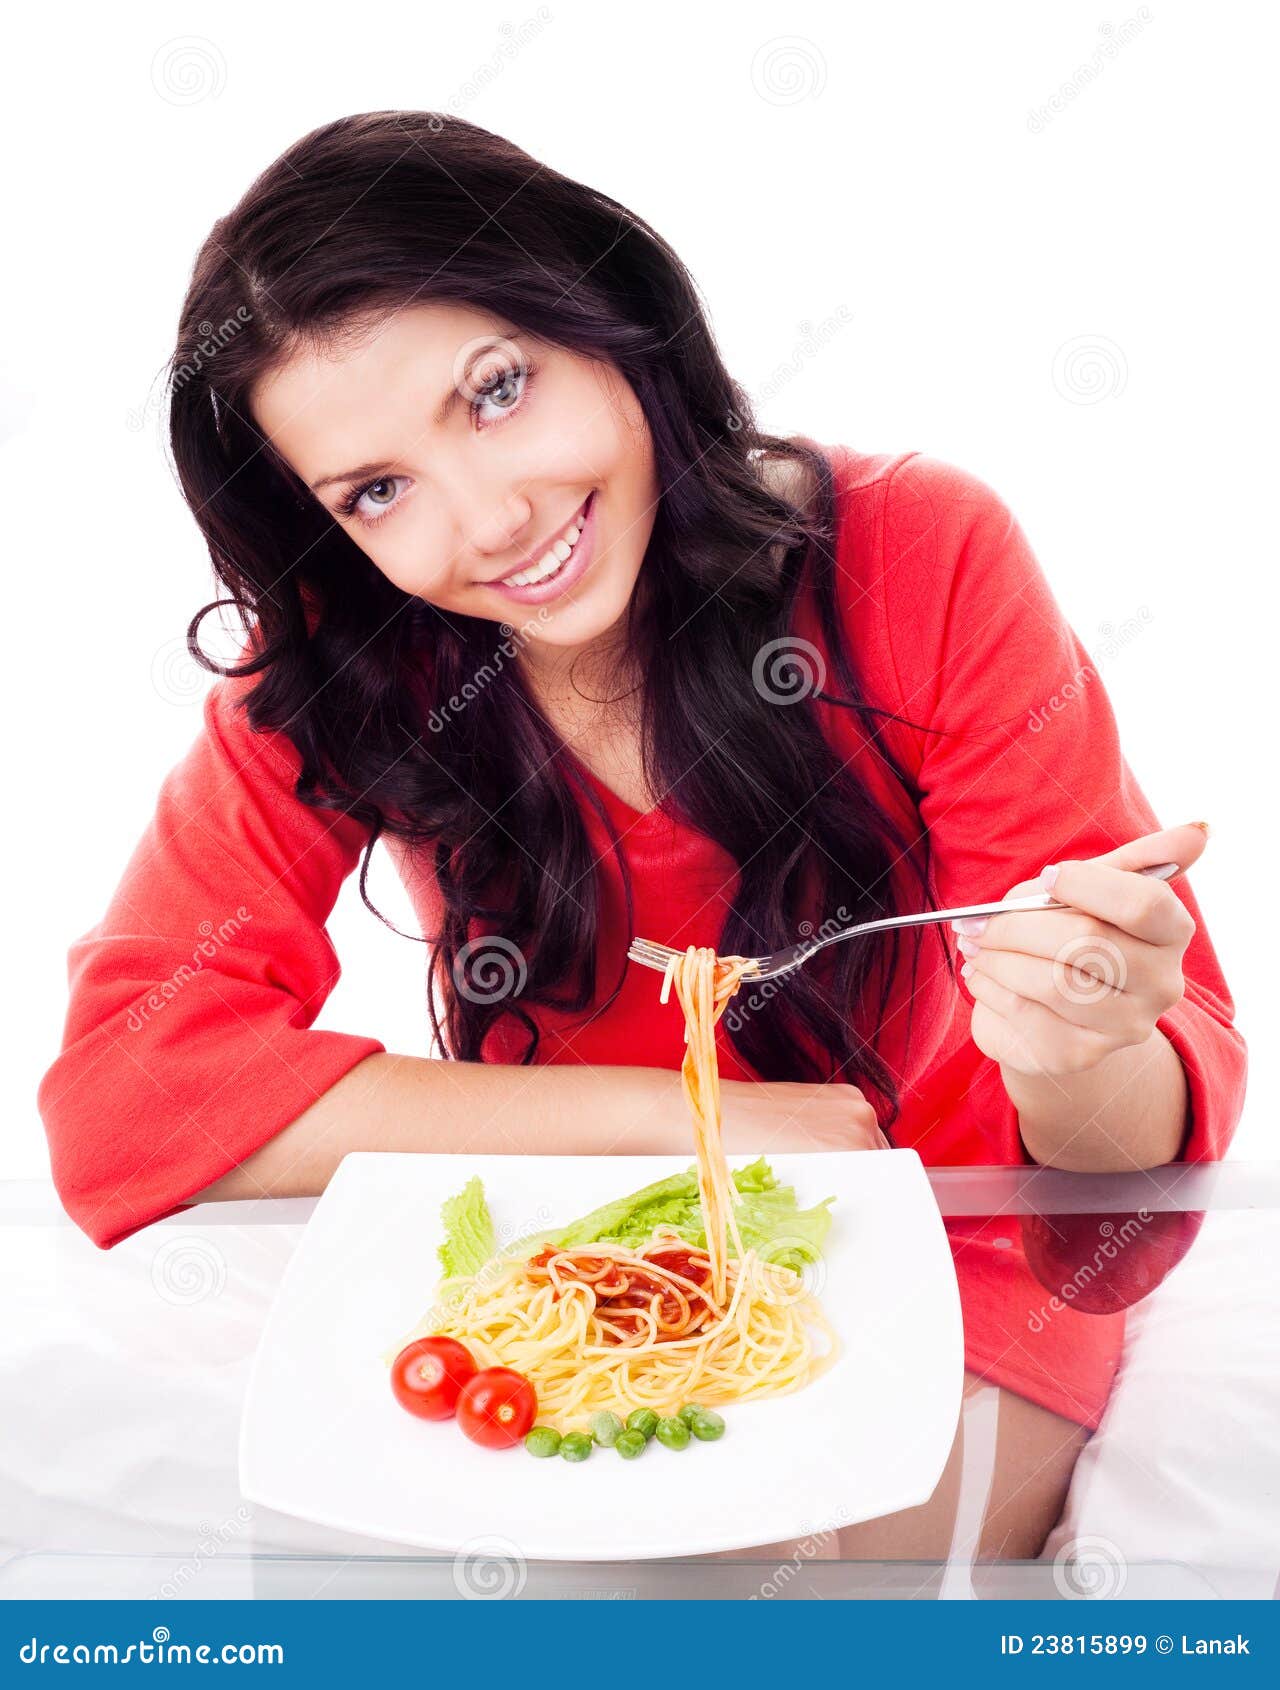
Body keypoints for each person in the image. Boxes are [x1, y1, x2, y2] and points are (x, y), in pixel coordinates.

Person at [37, 112, 1246, 1562]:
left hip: (948, 1256)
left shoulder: (916, 553)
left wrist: (1079, 1049)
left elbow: (1112, 1202)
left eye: (496, 392)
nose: (491, 523)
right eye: (375, 492)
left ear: (605, 311)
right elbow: (125, 1097)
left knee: (721, 1588)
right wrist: (698, 1116)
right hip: (577, 1260)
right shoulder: (363, 662)